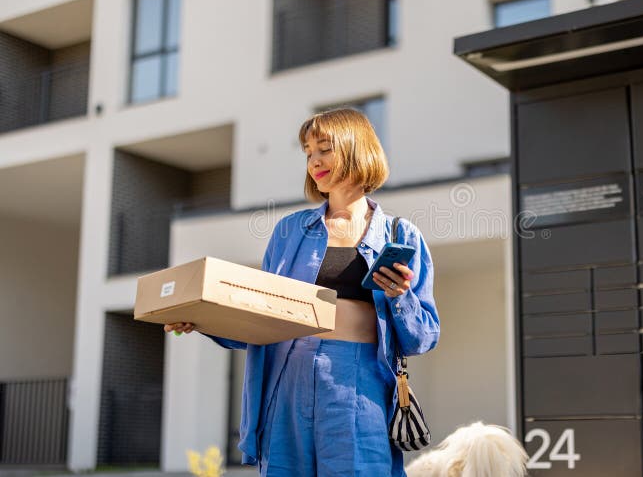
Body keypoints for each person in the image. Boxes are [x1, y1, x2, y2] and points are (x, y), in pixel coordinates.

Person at [164, 108, 440, 477]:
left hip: (359, 382)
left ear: (357, 149)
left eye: (324, 148)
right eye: (308, 152)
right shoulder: (289, 231)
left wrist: (399, 296)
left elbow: (423, 337)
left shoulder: (401, 236)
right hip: (288, 375)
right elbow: (261, 315)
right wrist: (201, 319)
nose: (314, 161)